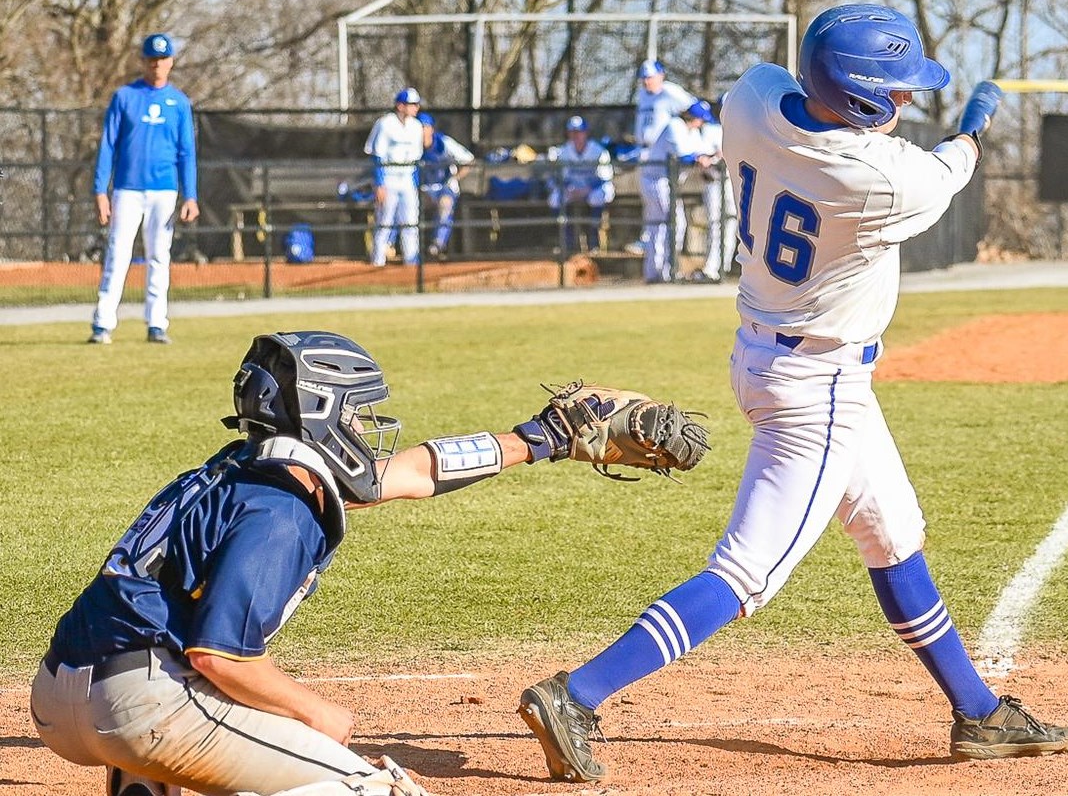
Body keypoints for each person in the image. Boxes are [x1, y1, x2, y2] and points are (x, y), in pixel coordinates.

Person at [516, 3, 1068, 784]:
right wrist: (974, 128)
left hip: (768, 354)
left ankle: (979, 712)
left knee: (892, 532)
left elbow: (802, 99)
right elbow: (951, 167)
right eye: (896, 88)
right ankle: (577, 694)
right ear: (858, 97)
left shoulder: (752, 97)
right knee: (746, 575)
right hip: (817, 389)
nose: (908, 99)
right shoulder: (879, 178)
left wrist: (943, 121)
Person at [30, 329, 683, 796]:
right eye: (356, 412)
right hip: (143, 700)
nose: (368, 428)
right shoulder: (279, 510)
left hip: (62, 697)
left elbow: (413, 472)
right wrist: (316, 711)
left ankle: (149, 777)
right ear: (320, 414)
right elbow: (219, 654)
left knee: (261, 754)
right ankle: (155, 759)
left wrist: (538, 440)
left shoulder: (240, 471)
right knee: (370, 787)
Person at [89, 33, 198, 346]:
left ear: (171, 61)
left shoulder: (178, 102)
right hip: (127, 189)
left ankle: (156, 324)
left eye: (163, 59)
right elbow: (108, 145)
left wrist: (190, 194)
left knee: (159, 257)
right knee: (118, 254)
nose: (157, 65)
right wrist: (101, 190)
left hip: (165, 191)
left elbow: (186, 152)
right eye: (152, 59)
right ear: (143, 61)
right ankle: (103, 323)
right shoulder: (125, 97)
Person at [633, 60, 697, 278]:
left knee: (666, 221)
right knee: (658, 222)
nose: (646, 82)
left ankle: (662, 271)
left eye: (650, 77)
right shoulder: (642, 95)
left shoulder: (669, 92)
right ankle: (659, 272)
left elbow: (694, 107)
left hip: (662, 164)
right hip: (648, 163)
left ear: (661, 76)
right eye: (644, 78)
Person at [638, 101, 714, 283]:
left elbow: (704, 152)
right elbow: (683, 156)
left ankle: (658, 272)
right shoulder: (675, 125)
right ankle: (664, 272)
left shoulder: (692, 132)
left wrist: (708, 157)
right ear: (693, 117)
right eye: (700, 120)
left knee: (661, 226)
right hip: (656, 179)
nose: (701, 123)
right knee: (671, 223)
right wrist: (700, 158)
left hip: (666, 182)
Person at [364, 87, 425, 265]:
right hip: (388, 179)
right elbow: (377, 156)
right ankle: (377, 261)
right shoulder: (385, 123)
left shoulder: (416, 126)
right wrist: (379, 184)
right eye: (411, 104)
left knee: (411, 222)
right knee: (385, 221)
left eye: (416, 104)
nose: (415, 108)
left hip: (407, 180)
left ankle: (411, 262)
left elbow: (416, 159)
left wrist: (415, 185)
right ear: (400, 106)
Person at [547, 115, 615, 254]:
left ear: (586, 133)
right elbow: (560, 177)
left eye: (579, 132)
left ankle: (593, 242)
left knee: (598, 196)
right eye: (573, 132)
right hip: (572, 188)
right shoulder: (564, 151)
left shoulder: (598, 150)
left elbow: (605, 177)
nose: (576, 135)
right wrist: (568, 189)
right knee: (554, 199)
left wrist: (587, 189)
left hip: (593, 188)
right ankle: (567, 242)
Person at [416, 112, 475, 259]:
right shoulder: (410, 145)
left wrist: (456, 177)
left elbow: (468, 160)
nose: (422, 131)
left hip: (443, 187)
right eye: (419, 127)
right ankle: (406, 248)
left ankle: (437, 245)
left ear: (431, 129)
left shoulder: (443, 143)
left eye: (425, 127)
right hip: (422, 190)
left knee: (445, 204)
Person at [691, 103, 735, 283]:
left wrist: (716, 156)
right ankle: (713, 269)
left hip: (730, 182)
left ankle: (720, 268)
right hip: (714, 181)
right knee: (717, 224)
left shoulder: (736, 128)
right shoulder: (710, 129)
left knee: (729, 225)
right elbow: (702, 156)